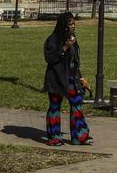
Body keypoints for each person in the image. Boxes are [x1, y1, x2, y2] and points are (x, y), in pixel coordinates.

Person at [43, 12, 91, 146]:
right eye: (70, 24)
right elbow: (50, 58)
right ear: (63, 25)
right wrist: (64, 47)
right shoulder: (52, 40)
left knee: (77, 104)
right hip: (56, 79)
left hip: (71, 78)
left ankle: (80, 136)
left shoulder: (72, 39)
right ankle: (55, 138)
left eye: (74, 23)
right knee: (54, 107)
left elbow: (74, 61)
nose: (73, 26)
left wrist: (81, 78)